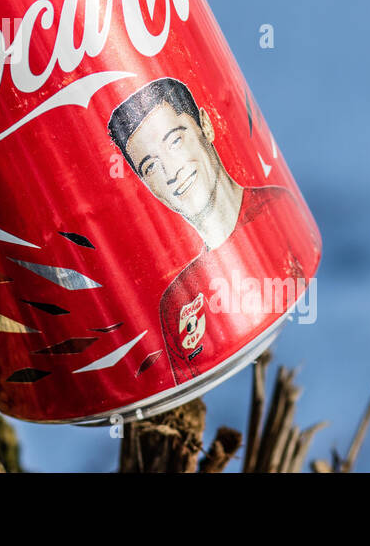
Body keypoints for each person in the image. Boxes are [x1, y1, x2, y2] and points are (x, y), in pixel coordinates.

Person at [108, 78, 318, 384]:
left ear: (205, 126)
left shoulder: (277, 210)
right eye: (151, 166)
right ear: (144, 183)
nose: (171, 172)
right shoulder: (176, 303)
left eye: (175, 141)